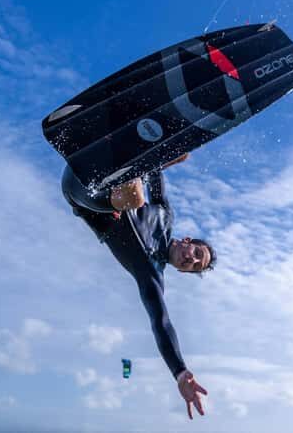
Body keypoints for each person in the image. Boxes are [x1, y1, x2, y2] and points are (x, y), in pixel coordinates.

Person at [61, 153, 215, 419]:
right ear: (189, 241)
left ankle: (130, 162)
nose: (191, 259)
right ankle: (127, 139)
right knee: (165, 158)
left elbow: (161, 321)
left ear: (181, 269)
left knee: (135, 197)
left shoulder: (151, 274)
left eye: (192, 266)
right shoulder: (165, 216)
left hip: (83, 192)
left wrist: (179, 371)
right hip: (98, 165)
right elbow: (155, 173)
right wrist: (169, 155)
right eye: (196, 254)